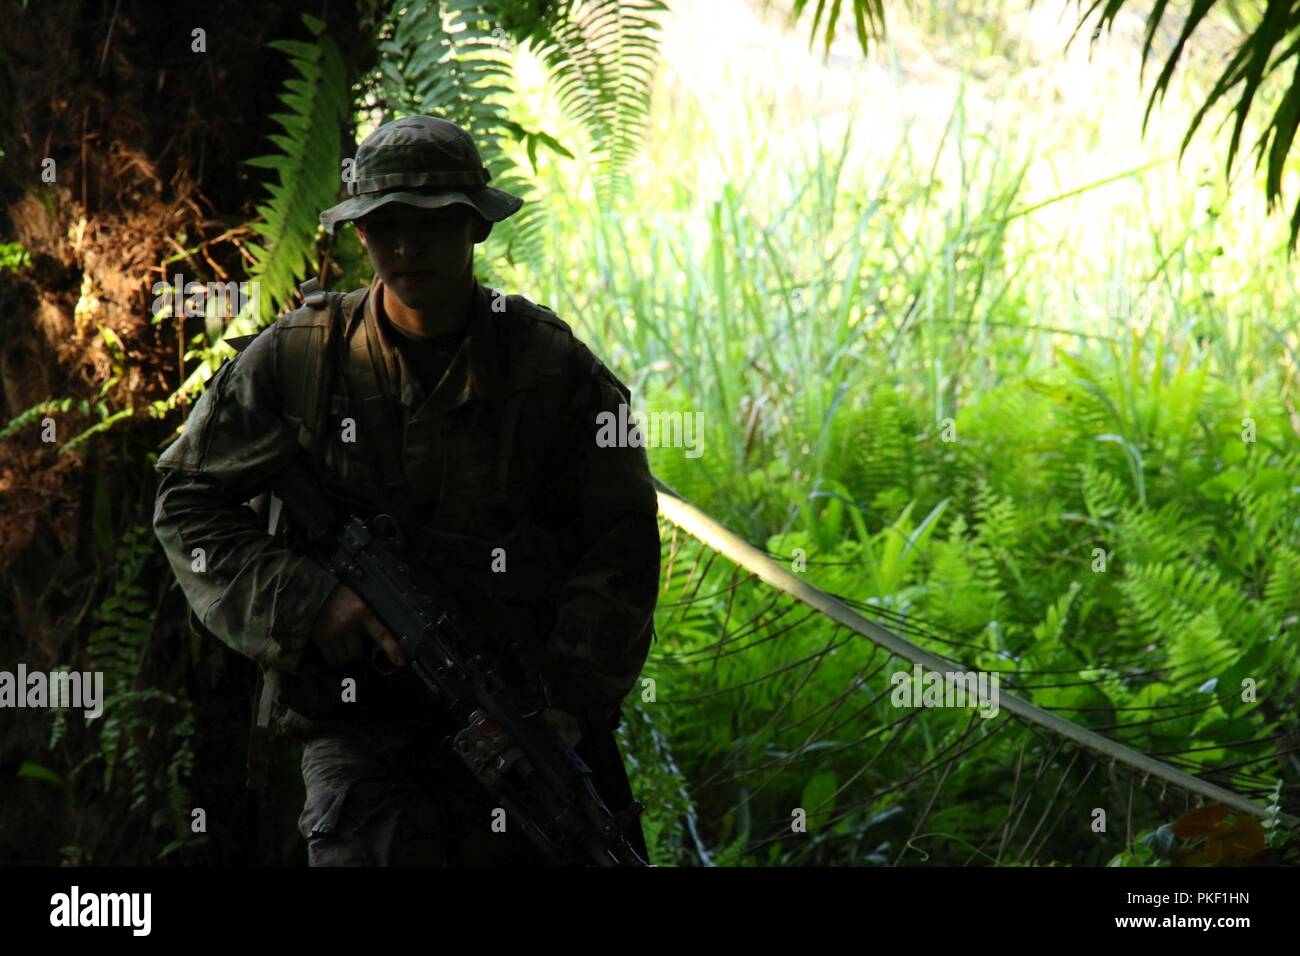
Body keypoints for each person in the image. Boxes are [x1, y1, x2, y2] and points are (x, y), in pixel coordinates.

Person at [152, 115, 661, 865]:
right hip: (365, 739)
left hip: (527, 725)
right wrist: (313, 600)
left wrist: (558, 707)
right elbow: (185, 501)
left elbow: (619, 545)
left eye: (429, 224)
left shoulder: (550, 369)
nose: (404, 247)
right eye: (384, 225)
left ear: (473, 227)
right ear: (359, 234)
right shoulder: (303, 356)